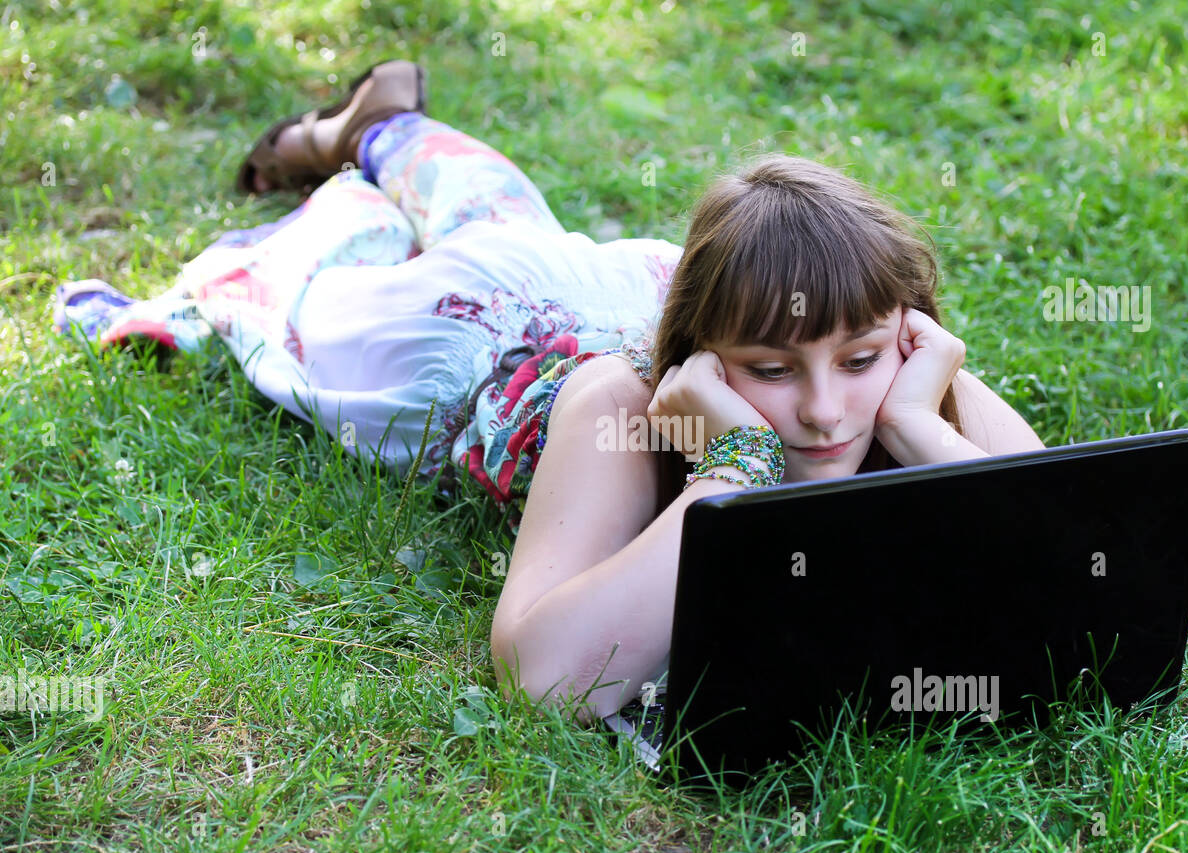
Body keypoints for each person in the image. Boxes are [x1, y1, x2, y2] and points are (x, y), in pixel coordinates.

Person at [53, 59, 1045, 729]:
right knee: (309, 293)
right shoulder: (618, 407)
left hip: (629, 284)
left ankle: (379, 126)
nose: (829, 412)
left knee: (498, 208)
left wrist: (915, 419)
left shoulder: (888, 362)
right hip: (471, 332)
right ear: (701, 359)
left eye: (864, 365)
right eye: (772, 374)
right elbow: (542, 678)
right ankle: (354, 158)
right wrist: (731, 469)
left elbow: (1067, 555)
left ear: (908, 332)